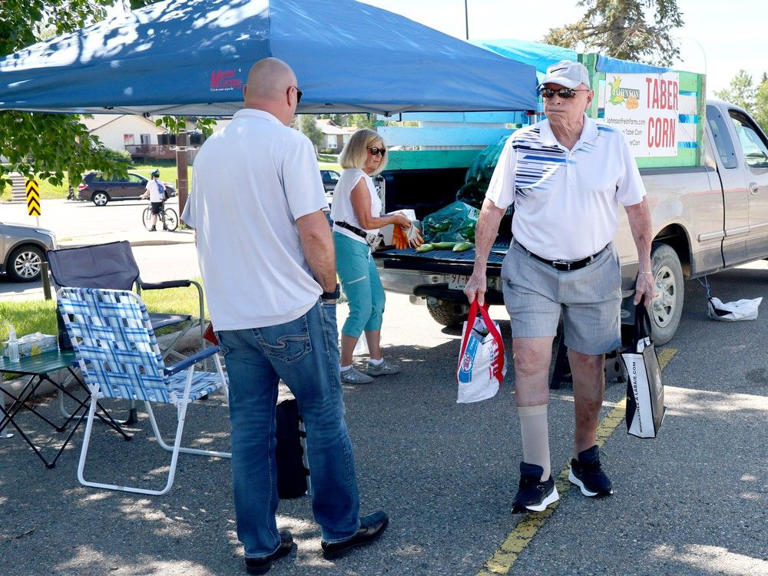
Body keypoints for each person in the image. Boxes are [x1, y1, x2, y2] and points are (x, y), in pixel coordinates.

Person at [181, 58, 388, 574]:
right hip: (290, 309)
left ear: (245, 93)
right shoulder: (288, 145)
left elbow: (199, 226)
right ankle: (339, 529)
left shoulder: (210, 151)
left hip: (233, 315)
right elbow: (315, 231)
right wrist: (329, 288)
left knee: (249, 428)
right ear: (291, 95)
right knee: (322, 416)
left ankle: (258, 544)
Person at [463, 60, 655, 513]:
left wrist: (645, 267)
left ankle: (585, 457)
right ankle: (536, 472)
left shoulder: (611, 143)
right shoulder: (522, 144)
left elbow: (637, 207)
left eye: (564, 93)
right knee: (530, 361)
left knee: (588, 366)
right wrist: (477, 269)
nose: (553, 101)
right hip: (531, 270)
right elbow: (492, 209)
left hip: (596, 269)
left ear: (588, 97)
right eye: (547, 93)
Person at [329, 129, 414, 384]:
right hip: (350, 245)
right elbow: (367, 220)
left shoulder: (359, 177)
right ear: (357, 149)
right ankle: (344, 367)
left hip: (360, 245)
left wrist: (393, 219)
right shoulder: (356, 177)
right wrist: (396, 219)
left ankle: (375, 361)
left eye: (382, 151)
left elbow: (368, 220)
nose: (378, 156)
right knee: (362, 306)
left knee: (376, 302)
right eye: (373, 150)